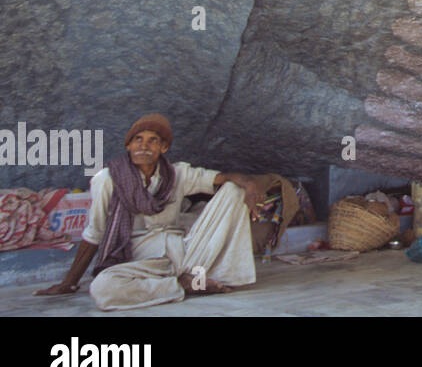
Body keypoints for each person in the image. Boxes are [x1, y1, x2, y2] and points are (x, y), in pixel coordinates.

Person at [35, 113, 264, 310]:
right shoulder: (107, 180)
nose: (144, 146)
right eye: (138, 140)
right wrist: (69, 282)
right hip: (140, 259)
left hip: (184, 251)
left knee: (234, 189)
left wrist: (250, 184)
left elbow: (222, 178)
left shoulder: (177, 174)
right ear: (128, 146)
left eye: (153, 141)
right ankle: (181, 285)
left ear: (163, 148)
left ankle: (205, 277)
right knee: (102, 288)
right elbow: (94, 233)